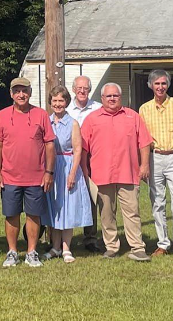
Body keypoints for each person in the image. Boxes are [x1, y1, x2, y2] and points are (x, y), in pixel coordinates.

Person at [80, 82, 153, 262]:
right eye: (108, 96)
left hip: (128, 173)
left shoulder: (132, 116)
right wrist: (84, 170)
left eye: (115, 96)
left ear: (120, 97)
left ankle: (137, 247)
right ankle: (111, 247)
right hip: (101, 174)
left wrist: (144, 165)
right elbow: (83, 148)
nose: (112, 99)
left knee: (132, 212)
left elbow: (144, 142)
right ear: (102, 99)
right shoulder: (92, 118)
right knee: (106, 214)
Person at [0, 77, 56, 268]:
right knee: (11, 215)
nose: (21, 95)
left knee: (33, 215)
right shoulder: (2, 115)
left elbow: (49, 145)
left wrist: (49, 172)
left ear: (30, 92)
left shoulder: (41, 114)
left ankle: (31, 252)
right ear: (11, 94)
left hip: (36, 176)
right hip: (10, 176)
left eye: (24, 91)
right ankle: (12, 252)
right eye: (17, 91)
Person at [138, 69, 173, 262]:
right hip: (155, 158)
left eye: (163, 83)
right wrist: (143, 164)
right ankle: (163, 243)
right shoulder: (144, 109)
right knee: (157, 202)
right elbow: (142, 139)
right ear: (151, 86)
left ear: (168, 85)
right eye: (157, 83)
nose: (160, 87)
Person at [44, 85, 92, 263]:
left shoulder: (73, 123)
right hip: (51, 167)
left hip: (68, 166)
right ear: (50, 102)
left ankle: (66, 248)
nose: (57, 104)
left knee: (68, 208)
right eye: (54, 100)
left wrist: (72, 174)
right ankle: (55, 247)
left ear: (66, 102)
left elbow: (78, 150)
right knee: (54, 208)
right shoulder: (46, 122)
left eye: (61, 100)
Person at [67, 75, 103, 252]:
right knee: (69, 196)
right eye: (79, 88)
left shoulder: (98, 108)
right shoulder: (65, 108)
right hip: (69, 159)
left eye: (86, 88)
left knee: (91, 197)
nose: (82, 91)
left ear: (90, 89)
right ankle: (66, 237)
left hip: (92, 158)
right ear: (74, 89)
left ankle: (90, 237)